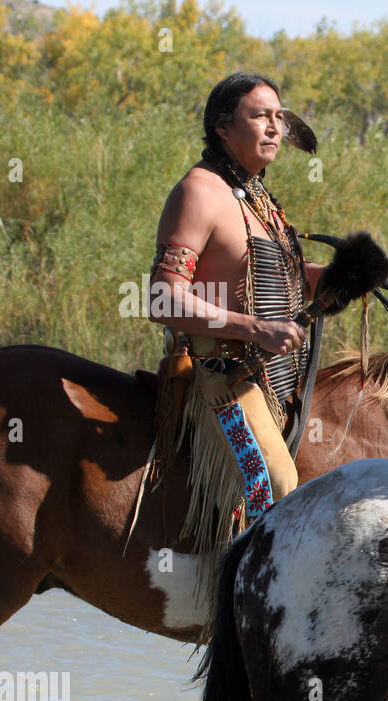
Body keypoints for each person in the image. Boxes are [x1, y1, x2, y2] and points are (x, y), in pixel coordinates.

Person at [147, 72, 324, 566]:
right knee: (276, 481)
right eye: (261, 116)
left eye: (280, 117)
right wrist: (255, 330)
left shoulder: (256, 196)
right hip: (217, 377)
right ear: (224, 128)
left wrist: (330, 278)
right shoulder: (200, 192)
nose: (276, 127)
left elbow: (267, 273)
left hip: (268, 375)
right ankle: (246, 610)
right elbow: (163, 299)